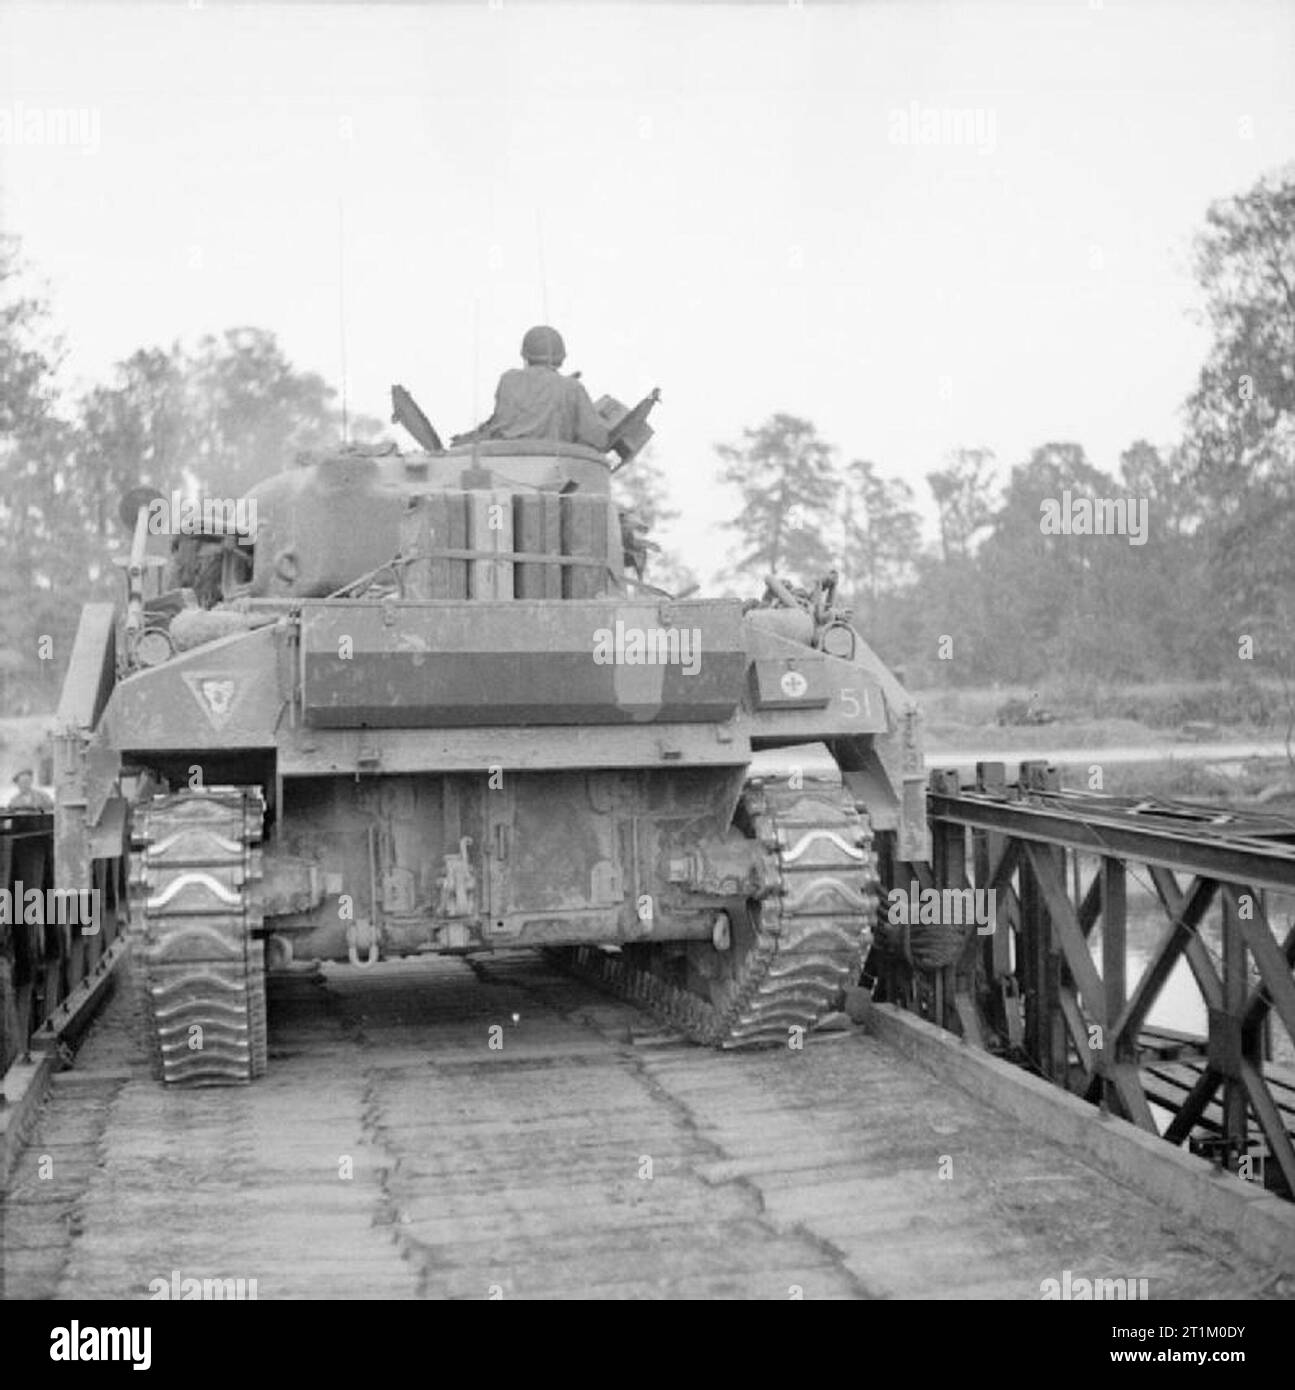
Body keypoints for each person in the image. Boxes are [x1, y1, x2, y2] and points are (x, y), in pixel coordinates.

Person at [460, 326, 610, 451]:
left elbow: (500, 425)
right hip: (555, 470)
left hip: (505, 465)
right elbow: (597, 438)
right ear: (561, 358)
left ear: (525, 356)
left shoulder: (508, 379)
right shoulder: (572, 388)